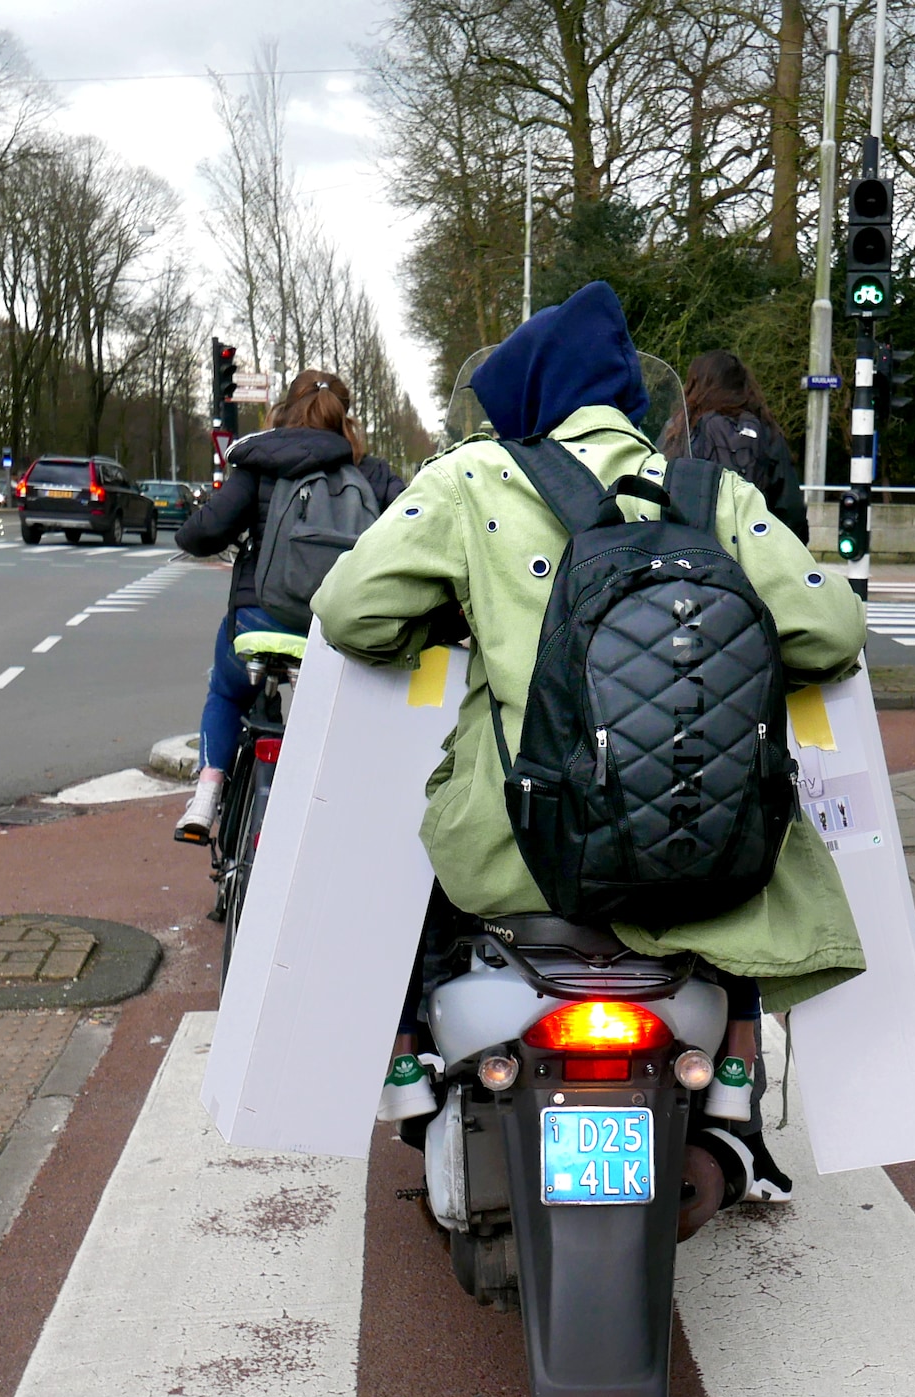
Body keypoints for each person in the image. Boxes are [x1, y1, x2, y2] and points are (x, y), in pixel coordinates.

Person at [312, 282, 868, 1198]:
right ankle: (733, 1087)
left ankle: (407, 1063)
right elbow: (832, 633)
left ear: (527, 401)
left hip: (518, 855)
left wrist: (449, 623)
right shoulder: (711, 493)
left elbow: (349, 612)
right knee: (739, 900)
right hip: (701, 853)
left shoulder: (471, 479)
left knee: (416, 860)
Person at [171, 369, 405, 843]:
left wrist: (190, 532)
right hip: (334, 636)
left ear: (285, 410)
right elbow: (409, 533)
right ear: (345, 417)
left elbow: (205, 531)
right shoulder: (372, 473)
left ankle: (207, 793)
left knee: (225, 689)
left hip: (259, 619)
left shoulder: (260, 462)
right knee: (338, 720)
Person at [661, 349, 809, 543]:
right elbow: (790, 508)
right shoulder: (766, 433)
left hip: (688, 552)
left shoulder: (678, 431)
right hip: (752, 552)